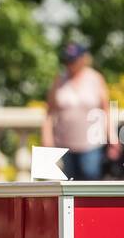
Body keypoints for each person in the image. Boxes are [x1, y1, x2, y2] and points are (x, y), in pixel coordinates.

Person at [42, 42, 116, 180]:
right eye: (67, 61)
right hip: (64, 144)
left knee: (90, 178)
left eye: (73, 60)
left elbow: (106, 110)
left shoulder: (95, 79)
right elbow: (49, 112)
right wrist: (47, 138)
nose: (70, 64)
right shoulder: (59, 80)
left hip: (92, 144)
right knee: (68, 183)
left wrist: (112, 137)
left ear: (83, 59)